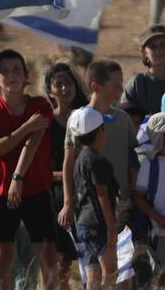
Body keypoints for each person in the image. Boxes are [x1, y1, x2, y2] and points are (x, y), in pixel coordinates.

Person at [0, 49, 57, 290]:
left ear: (26, 76)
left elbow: (32, 145)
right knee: (4, 254)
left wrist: (18, 177)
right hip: (0, 192)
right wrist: (25, 126)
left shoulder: (40, 105)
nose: (11, 75)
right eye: (5, 71)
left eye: (17, 70)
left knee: (46, 252)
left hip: (34, 188)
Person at [58, 59, 138, 236]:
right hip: (89, 207)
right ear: (96, 86)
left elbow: (134, 156)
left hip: (121, 205)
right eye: (115, 86)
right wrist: (67, 203)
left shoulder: (123, 119)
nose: (121, 91)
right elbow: (68, 163)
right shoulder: (78, 120)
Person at [69, 106, 122, 290]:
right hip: (98, 222)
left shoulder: (79, 160)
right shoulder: (98, 161)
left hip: (83, 221)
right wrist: (111, 228)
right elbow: (102, 196)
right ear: (99, 132)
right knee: (109, 270)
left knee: (92, 271)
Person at [44, 60, 89, 290]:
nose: (64, 88)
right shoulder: (46, 124)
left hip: (87, 193)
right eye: (58, 84)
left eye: (68, 83)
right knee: (62, 257)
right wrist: (65, 175)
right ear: (50, 91)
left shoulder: (86, 118)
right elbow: (40, 167)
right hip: (57, 194)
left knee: (89, 253)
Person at [132, 112, 165, 290]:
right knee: (162, 274)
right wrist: (157, 217)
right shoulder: (150, 164)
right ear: (159, 137)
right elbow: (138, 197)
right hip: (162, 230)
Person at [124, 25, 165, 116]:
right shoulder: (137, 83)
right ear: (144, 51)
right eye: (152, 46)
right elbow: (125, 118)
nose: (159, 49)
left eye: (163, 44)